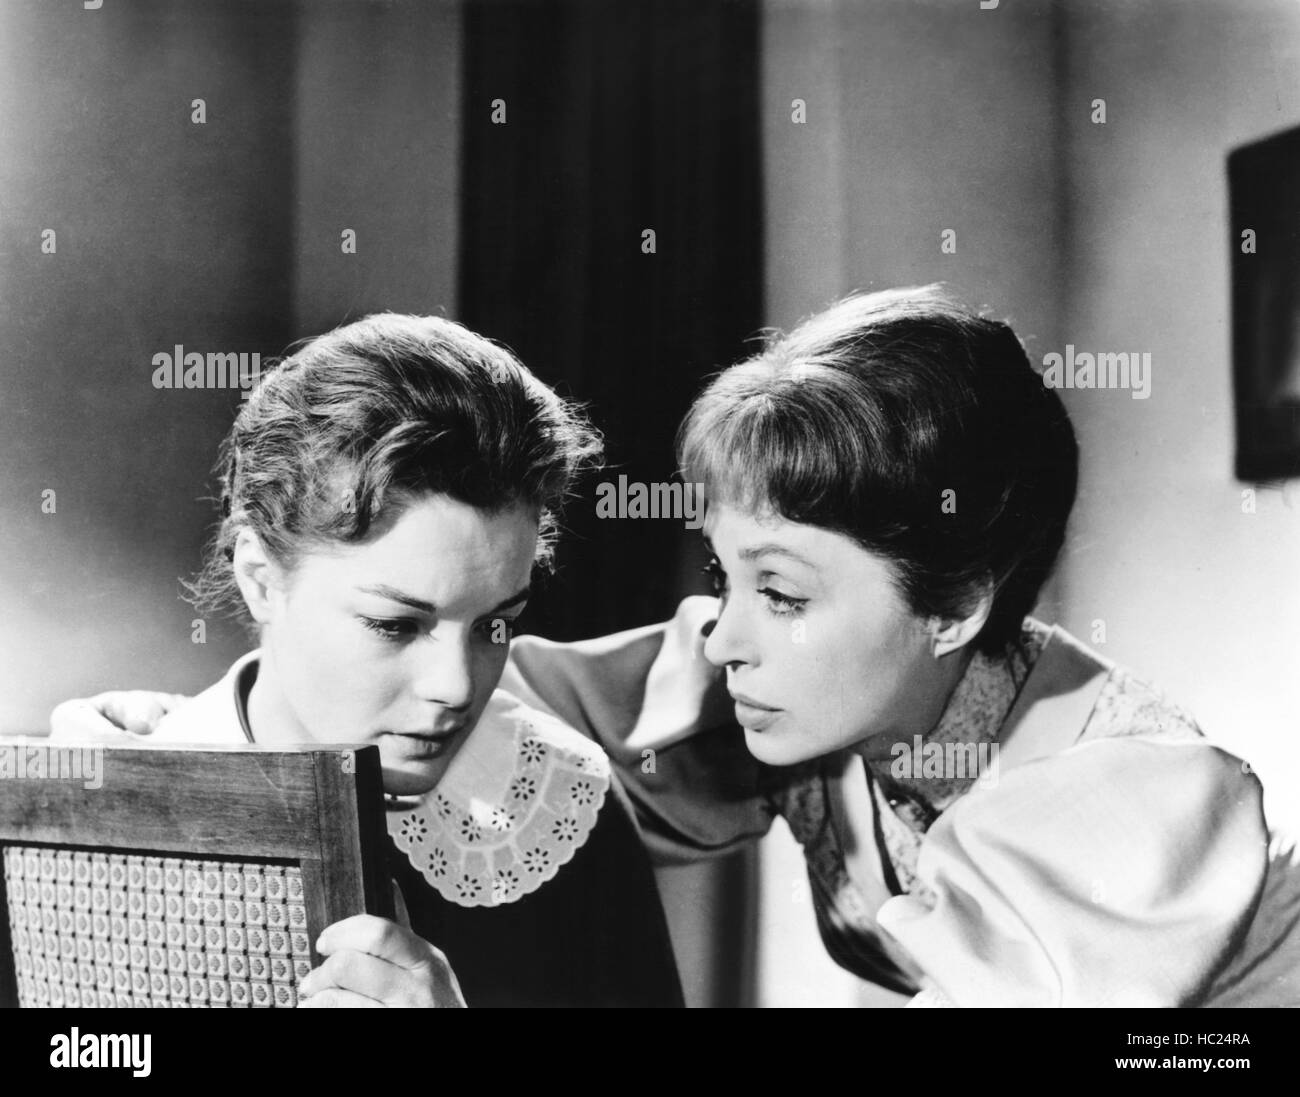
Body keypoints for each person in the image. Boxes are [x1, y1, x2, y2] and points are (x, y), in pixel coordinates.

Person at [58, 287, 1300, 1006]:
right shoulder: (803, 680)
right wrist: (151, 759)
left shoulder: (1126, 802)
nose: (721, 633)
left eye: (782, 590)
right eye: (723, 575)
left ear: (954, 602)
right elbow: (498, 705)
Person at [52, 312, 684, 1008]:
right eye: (396, 624)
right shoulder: (80, 825)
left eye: (494, 625)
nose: (455, 686)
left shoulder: (561, 804)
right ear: (261, 577)